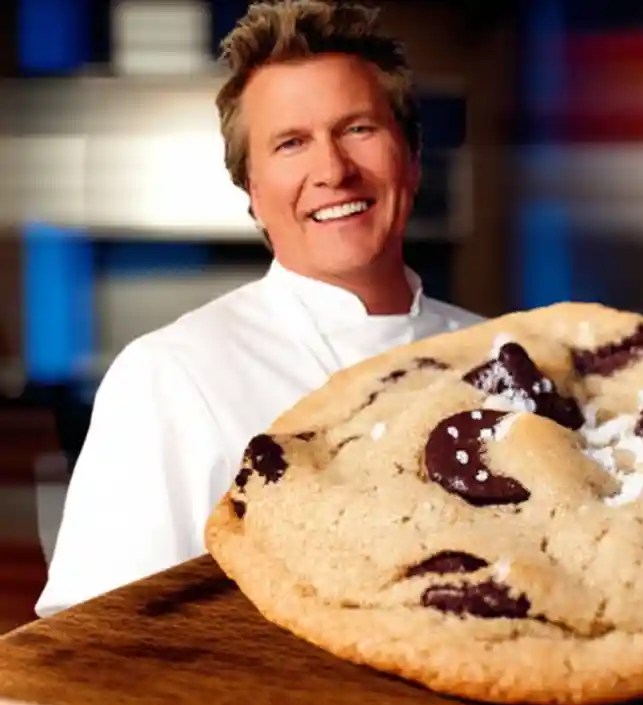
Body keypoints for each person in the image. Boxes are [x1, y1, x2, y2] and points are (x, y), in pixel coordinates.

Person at [35, 0, 483, 617]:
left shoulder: (501, 355)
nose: (332, 170)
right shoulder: (170, 377)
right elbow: (94, 645)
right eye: (291, 143)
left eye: (357, 128)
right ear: (253, 193)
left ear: (411, 157)